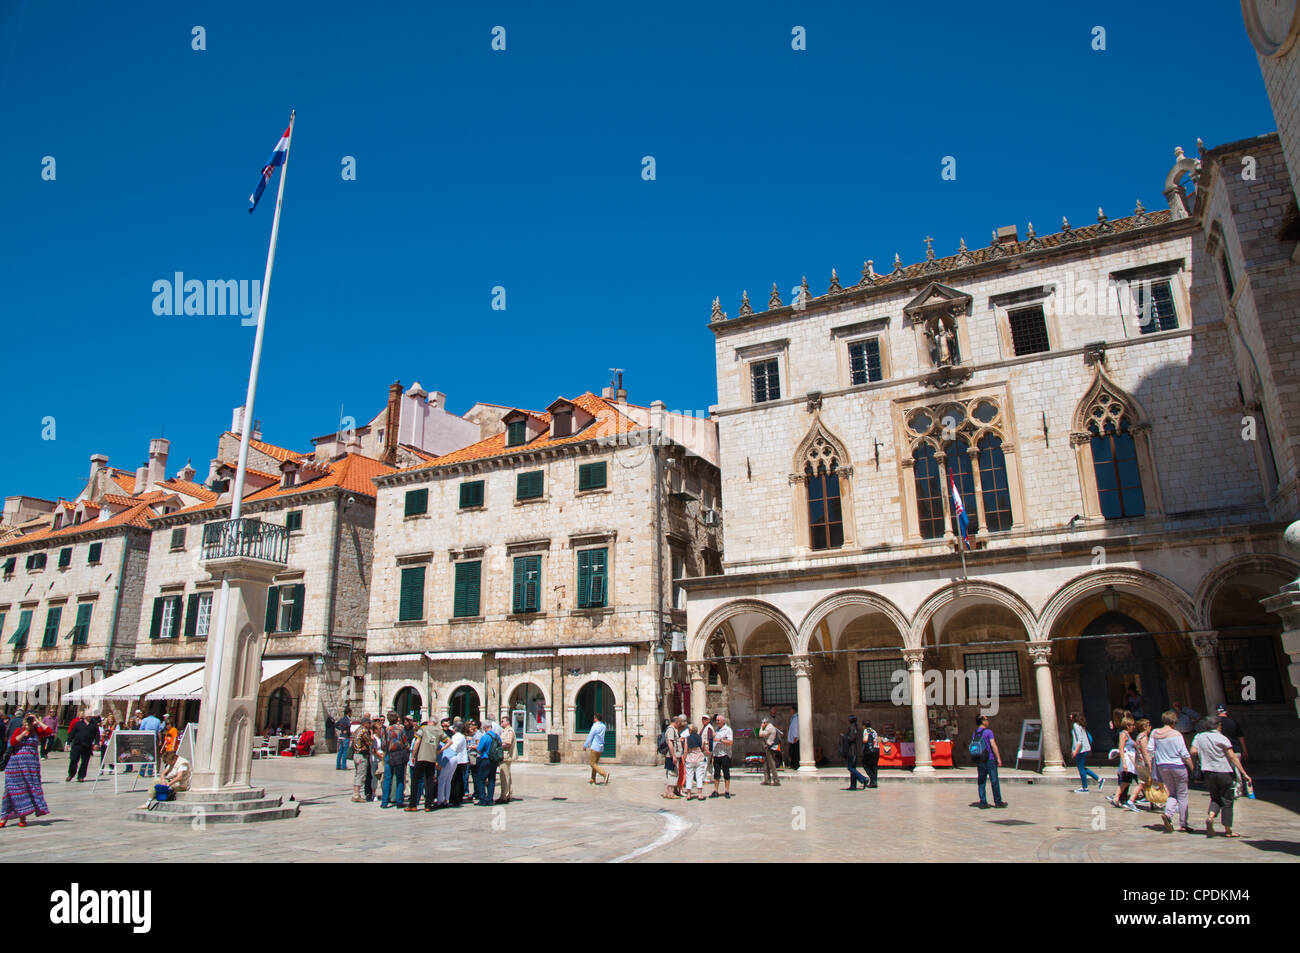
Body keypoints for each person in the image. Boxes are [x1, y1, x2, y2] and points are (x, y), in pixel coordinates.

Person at [1192, 716, 1252, 838]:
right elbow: (1232, 757)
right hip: (1223, 771)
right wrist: (1244, 773)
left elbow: (1193, 751)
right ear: (1218, 726)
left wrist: (1205, 753)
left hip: (1207, 772)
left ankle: (1211, 817)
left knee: (1215, 797)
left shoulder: (1199, 737)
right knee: (1227, 801)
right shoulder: (1221, 738)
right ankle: (1228, 830)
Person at [1, 712, 52, 827]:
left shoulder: (37, 732)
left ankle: (22, 817)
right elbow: (13, 742)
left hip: (30, 766)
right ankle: (4, 817)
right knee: (11, 790)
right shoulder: (19, 730)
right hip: (16, 765)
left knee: (27, 789)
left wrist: (37, 722)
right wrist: (24, 731)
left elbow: (48, 731)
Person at [1149, 710, 1194, 833]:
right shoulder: (1176, 734)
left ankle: (1168, 814)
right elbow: (1184, 753)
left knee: (1172, 793)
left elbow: (1150, 749)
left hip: (1163, 766)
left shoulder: (1155, 733)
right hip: (1178, 766)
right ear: (1174, 722)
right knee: (1182, 795)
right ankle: (1183, 823)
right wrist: (1192, 766)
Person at [405, 718, 443, 812]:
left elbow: (417, 742)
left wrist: (413, 755)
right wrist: (439, 751)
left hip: (421, 757)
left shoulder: (423, 728)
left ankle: (413, 805)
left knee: (415, 780)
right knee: (429, 781)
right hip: (432, 758)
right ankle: (428, 805)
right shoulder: (439, 731)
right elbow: (449, 742)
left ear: (429, 721)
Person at [971, 714, 1006, 809]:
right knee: (994, 780)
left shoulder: (975, 732)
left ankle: (983, 802)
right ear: (983, 721)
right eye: (986, 719)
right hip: (989, 759)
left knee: (981, 781)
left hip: (980, 759)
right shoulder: (988, 732)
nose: (988, 721)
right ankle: (998, 801)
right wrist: (998, 757)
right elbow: (993, 744)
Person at [1107, 715, 1140, 811]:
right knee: (1126, 780)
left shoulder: (1128, 734)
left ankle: (1117, 798)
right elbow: (1121, 748)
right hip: (1127, 760)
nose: (1134, 727)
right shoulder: (1123, 734)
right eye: (1132, 725)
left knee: (1127, 781)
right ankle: (1117, 797)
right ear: (1127, 725)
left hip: (1131, 760)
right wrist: (1124, 763)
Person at [380, 711, 408, 809]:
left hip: (389, 754)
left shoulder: (386, 730)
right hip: (399, 754)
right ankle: (399, 801)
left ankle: (384, 802)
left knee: (388, 778)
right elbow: (405, 742)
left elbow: (383, 745)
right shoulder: (401, 729)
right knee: (400, 778)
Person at [1069, 712, 1102, 793]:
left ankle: (1085, 787)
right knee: (1082, 768)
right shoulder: (1081, 725)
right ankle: (1098, 779)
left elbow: (1079, 740)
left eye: (1071, 714)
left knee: (1081, 769)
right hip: (1084, 749)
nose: (1069, 716)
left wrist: (1075, 751)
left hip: (1081, 750)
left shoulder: (1076, 725)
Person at [438, 722, 469, 807]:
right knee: (453, 780)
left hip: (456, 759)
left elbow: (452, 748)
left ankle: (454, 798)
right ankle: (452, 798)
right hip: (458, 759)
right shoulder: (460, 736)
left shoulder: (457, 737)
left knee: (454, 780)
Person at [65, 712, 98, 783]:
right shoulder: (79, 723)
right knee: (74, 760)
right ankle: (71, 774)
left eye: (90, 716)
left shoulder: (94, 724)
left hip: (87, 746)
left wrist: (96, 743)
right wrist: (68, 742)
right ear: (85, 716)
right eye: (88, 716)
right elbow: (72, 733)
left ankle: (81, 776)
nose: (90, 717)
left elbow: (97, 734)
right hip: (77, 745)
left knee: (85, 762)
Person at [475, 720, 501, 805]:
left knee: (481, 779)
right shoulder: (497, 736)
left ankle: (482, 799)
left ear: (485, 728)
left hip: (486, 759)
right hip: (495, 760)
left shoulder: (485, 736)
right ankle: (490, 799)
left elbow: (479, 749)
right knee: (491, 779)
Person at [351, 716, 374, 803]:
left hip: (356, 754)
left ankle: (356, 793)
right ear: (365, 723)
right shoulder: (364, 731)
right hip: (361, 755)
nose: (370, 725)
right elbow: (370, 742)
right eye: (369, 723)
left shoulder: (357, 729)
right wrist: (371, 734)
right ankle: (356, 795)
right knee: (361, 774)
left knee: (357, 774)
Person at [842, 716, 869, 790]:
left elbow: (851, 738)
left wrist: (844, 737)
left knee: (850, 767)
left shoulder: (852, 728)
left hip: (852, 751)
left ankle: (863, 779)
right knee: (853, 768)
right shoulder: (857, 728)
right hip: (855, 750)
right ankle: (853, 785)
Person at [682, 722, 708, 799]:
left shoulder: (687, 738)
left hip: (690, 759)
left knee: (689, 776)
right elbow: (703, 748)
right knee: (699, 776)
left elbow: (686, 750)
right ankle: (700, 794)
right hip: (699, 758)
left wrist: (684, 758)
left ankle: (689, 794)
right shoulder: (700, 737)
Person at [710, 715, 733, 799]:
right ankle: (715, 790)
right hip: (717, 754)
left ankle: (727, 791)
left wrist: (720, 740)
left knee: (726, 772)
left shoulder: (728, 730)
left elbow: (730, 742)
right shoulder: (716, 730)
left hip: (725, 754)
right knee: (716, 773)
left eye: (719, 720)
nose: (717, 722)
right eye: (716, 720)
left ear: (723, 721)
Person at [583, 712, 610, 785]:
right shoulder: (603, 726)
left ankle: (604, 774)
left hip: (595, 746)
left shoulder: (595, 726)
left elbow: (590, 735)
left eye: (594, 718)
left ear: (596, 718)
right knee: (595, 763)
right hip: (601, 747)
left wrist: (585, 745)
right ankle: (593, 779)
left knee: (592, 764)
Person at [662, 715, 684, 799]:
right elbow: (670, 743)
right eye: (679, 723)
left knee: (669, 773)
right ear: (676, 722)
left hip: (670, 755)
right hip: (672, 755)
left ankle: (666, 792)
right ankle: (670, 793)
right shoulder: (671, 730)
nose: (679, 725)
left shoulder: (671, 729)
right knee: (673, 773)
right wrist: (674, 756)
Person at [138, 709, 163, 778]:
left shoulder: (145, 720)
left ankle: (142, 773)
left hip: (146, 739)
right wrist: (160, 740)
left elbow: (141, 730)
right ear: (154, 714)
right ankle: (149, 772)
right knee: (151, 756)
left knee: (144, 755)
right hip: (153, 739)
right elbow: (159, 731)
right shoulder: (158, 720)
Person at [497, 716, 515, 803]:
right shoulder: (505, 731)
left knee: (504, 776)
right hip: (504, 756)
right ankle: (508, 794)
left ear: (507, 722)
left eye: (502, 721)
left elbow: (508, 743)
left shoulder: (509, 731)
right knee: (507, 776)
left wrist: (498, 746)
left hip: (505, 756)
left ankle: (504, 796)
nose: (501, 723)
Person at [760, 716, 781, 786]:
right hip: (768, 747)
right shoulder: (769, 727)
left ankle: (776, 780)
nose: (762, 724)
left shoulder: (769, 728)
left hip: (770, 747)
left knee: (772, 764)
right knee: (765, 764)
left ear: (766, 723)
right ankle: (767, 780)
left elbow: (761, 734)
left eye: (763, 722)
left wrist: (761, 727)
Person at [860, 719, 880, 788]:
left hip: (870, 750)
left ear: (864, 725)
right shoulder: (874, 731)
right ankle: (874, 782)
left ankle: (873, 779)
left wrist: (862, 741)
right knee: (874, 766)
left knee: (865, 765)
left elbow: (865, 740)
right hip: (877, 749)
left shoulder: (866, 730)